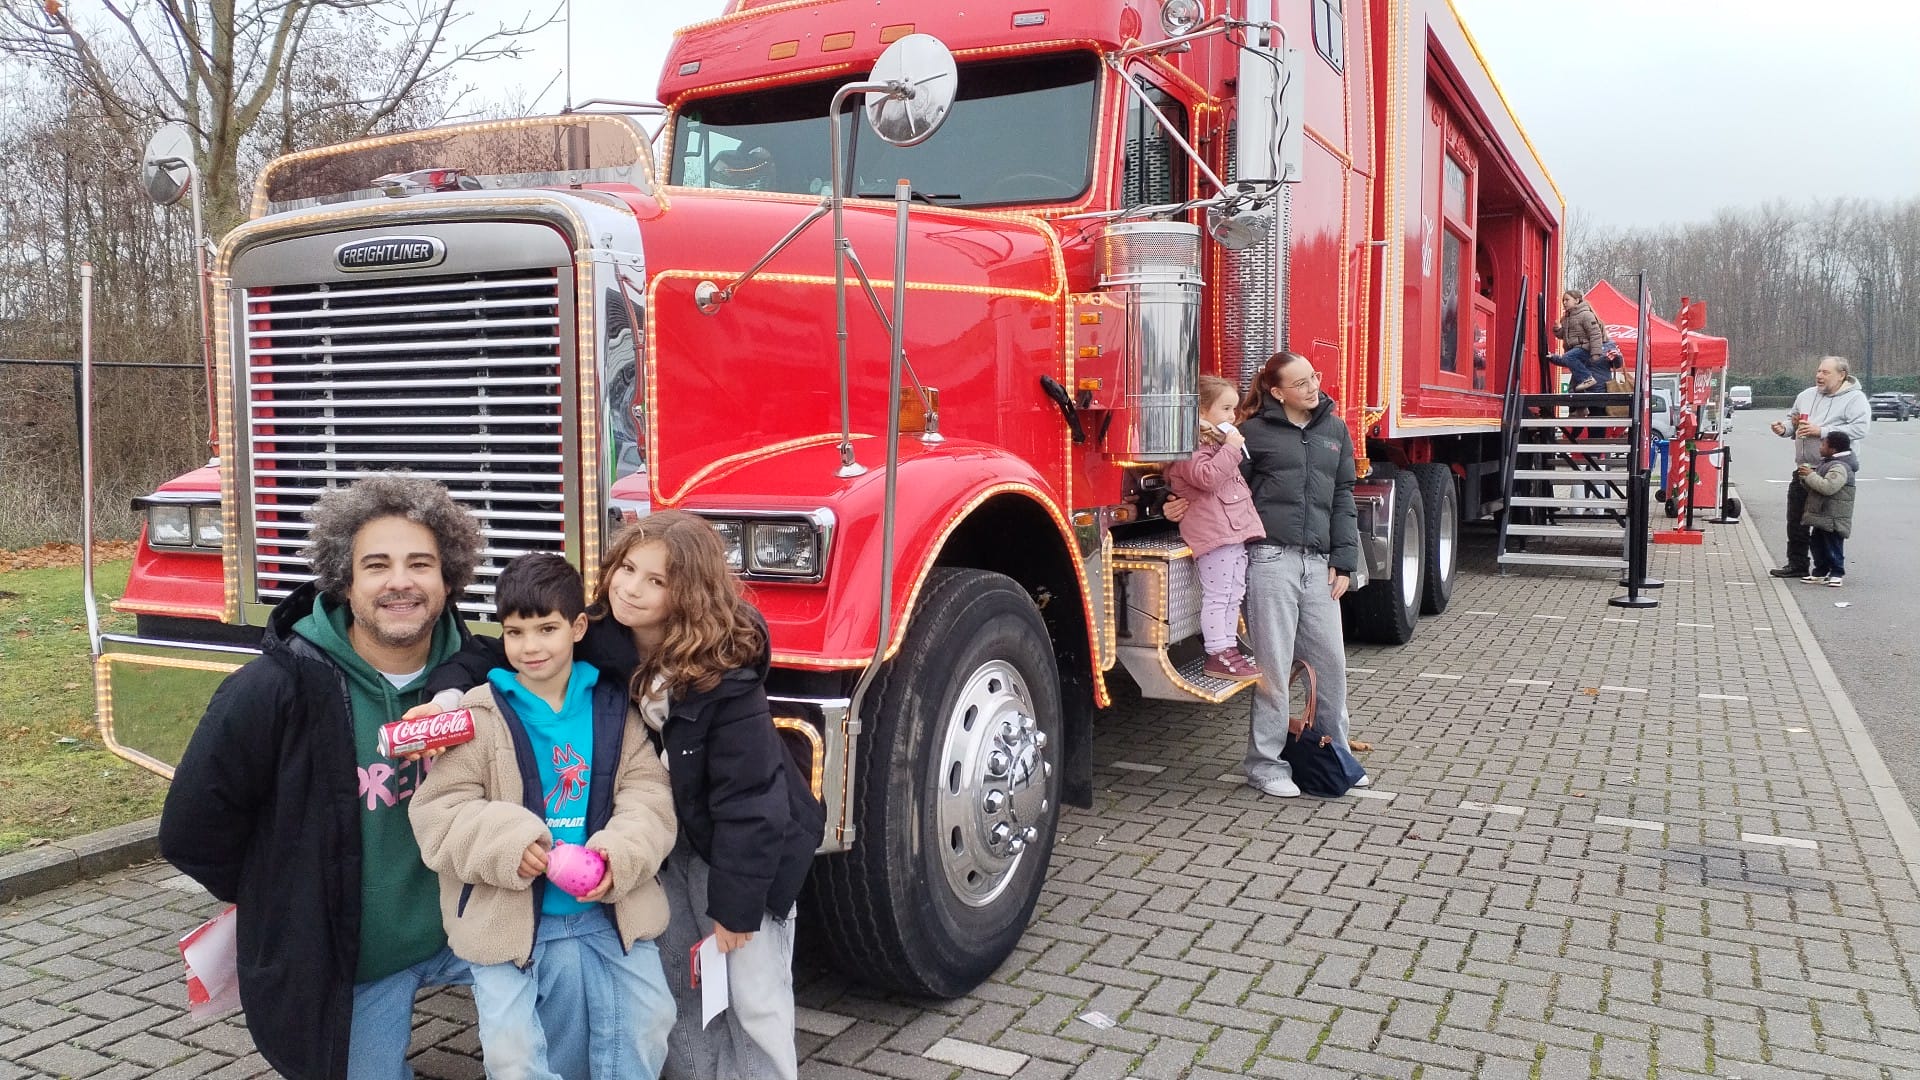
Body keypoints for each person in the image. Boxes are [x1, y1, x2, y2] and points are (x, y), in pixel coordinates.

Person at [422, 511, 825, 1080]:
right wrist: (444, 701)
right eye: (627, 568)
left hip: (747, 847)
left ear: (688, 592)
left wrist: (737, 910)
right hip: (665, 837)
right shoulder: (602, 636)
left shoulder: (725, 674)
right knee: (683, 989)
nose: (632, 588)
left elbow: (752, 802)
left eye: (656, 580)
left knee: (752, 994)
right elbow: (498, 649)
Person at [158, 473, 485, 1080]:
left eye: (421, 563)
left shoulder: (489, 679)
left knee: (584, 995)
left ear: (449, 578)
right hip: (350, 959)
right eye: (377, 565)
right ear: (345, 579)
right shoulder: (272, 690)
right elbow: (190, 832)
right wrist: (284, 892)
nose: (400, 583)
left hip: (475, 935)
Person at [410, 553, 678, 1080]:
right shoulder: (477, 713)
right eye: (516, 632)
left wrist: (616, 855)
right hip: (506, 920)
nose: (531, 647)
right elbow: (439, 812)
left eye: (547, 629)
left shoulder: (611, 706)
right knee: (513, 1052)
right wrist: (509, 842)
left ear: (578, 627)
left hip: (609, 910)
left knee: (646, 1023)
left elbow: (648, 792)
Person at [1235, 352, 1371, 798]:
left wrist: (1345, 561)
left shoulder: (1334, 429)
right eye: (1300, 383)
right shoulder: (1252, 433)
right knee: (1272, 669)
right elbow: (1226, 490)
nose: (1313, 388)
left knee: (1331, 663)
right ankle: (1265, 764)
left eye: (1314, 377)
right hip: (1270, 561)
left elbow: (1343, 496)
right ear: (1276, 392)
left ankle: (1335, 754)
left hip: (1319, 565)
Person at [1165, 375, 1266, 680]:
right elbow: (1207, 477)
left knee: (1234, 593)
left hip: (1231, 534)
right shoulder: (1190, 449)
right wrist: (1232, 448)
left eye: (1234, 410)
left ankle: (1229, 646)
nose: (1232, 417)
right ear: (1201, 412)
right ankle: (1217, 652)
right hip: (1214, 536)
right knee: (1219, 595)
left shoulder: (1217, 445)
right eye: (1225, 409)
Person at [1766, 355, 1869, 579]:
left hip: (1834, 470)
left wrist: (1821, 431)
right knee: (1796, 519)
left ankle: (1830, 568)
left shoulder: (1855, 399)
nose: (1819, 376)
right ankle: (1797, 563)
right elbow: (1793, 420)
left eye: (1825, 372)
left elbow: (1859, 429)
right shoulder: (1806, 395)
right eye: (1818, 371)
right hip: (1804, 468)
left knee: (1826, 524)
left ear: (1842, 375)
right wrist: (1783, 428)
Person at [1795, 431, 1857, 587]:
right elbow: (1815, 487)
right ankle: (1820, 571)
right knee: (1817, 544)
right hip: (1822, 514)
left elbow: (1828, 487)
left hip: (1833, 515)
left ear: (1833, 449)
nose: (1820, 448)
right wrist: (1805, 477)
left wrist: (1810, 475)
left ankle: (1837, 572)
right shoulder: (1826, 463)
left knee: (1833, 545)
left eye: (1823, 445)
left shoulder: (1840, 466)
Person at [1548, 288, 1609, 391]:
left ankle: (1587, 378)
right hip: (1575, 350)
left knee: (1568, 357)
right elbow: (1564, 335)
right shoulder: (1567, 317)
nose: (1564, 302)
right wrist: (1558, 329)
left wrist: (1596, 353)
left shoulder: (1586, 315)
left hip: (1585, 347)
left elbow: (1595, 334)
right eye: (1563, 300)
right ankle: (1580, 406)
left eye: (1567, 300)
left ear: (1576, 300)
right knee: (1574, 387)